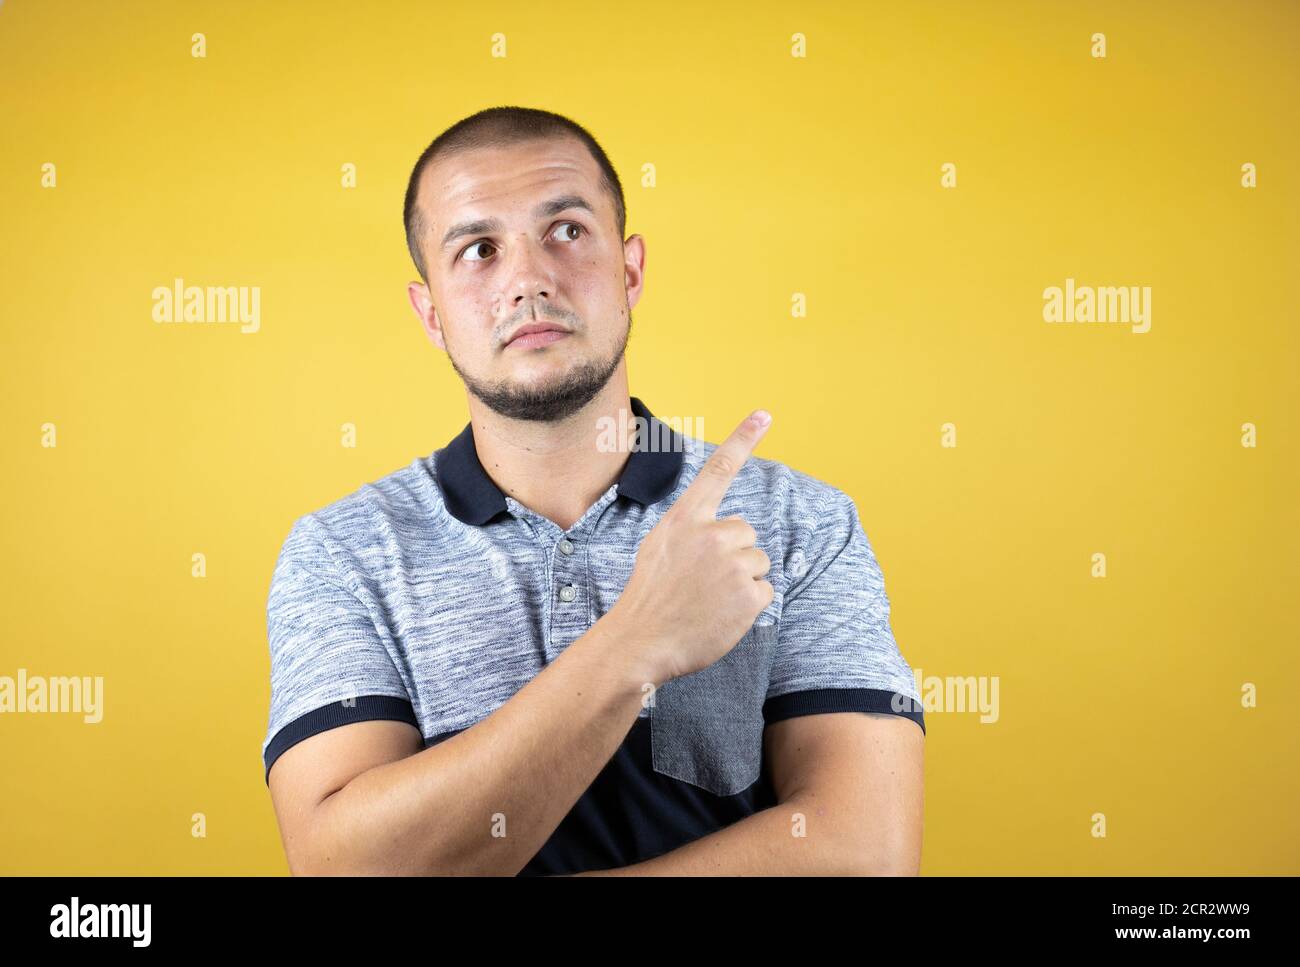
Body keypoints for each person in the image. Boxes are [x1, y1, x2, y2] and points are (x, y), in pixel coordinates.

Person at [261, 105, 925, 876]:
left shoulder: (803, 522)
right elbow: (344, 868)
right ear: (431, 314)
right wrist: (637, 642)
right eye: (478, 250)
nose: (529, 280)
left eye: (567, 232)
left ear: (630, 269)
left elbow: (864, 853)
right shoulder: (342, 555)